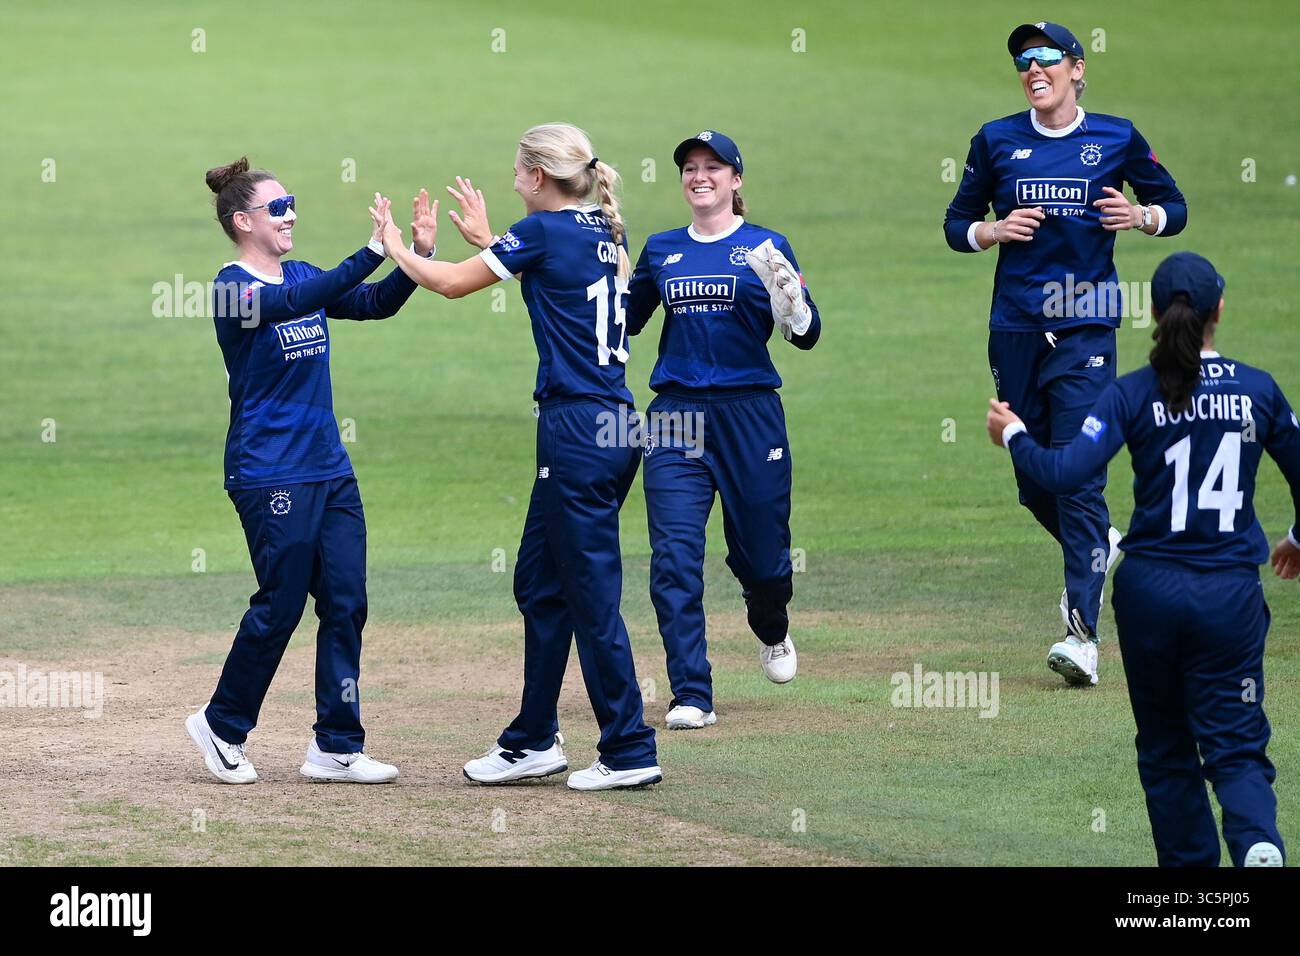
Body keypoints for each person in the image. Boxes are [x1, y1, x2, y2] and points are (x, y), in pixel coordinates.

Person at [987, 252, 1298, 867]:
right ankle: (1258, 843)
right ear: (1219, 313)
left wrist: (1015, 434)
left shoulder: (1130, 393)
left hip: (1150, 592)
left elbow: (1066, 472)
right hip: (1229, 594)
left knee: (1166, 751)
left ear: (1153, 313)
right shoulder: (1258, 389)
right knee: (1235, 745)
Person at [380, 124, 661, 791]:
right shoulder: (602, 230)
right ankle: (534, 739)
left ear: (538, 176)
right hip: (614, 429)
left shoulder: (538, 234)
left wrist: (396, 249)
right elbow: (554, 277)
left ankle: (629, 747)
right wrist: (492, 241)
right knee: (540, 584)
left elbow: (448, 285)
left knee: (591, 598)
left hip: (577, 432)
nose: (511, 180)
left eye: (516, 171)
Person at [944, 21, 1188, 687]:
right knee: (1034, 482)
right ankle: (1101, 546)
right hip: (1014, 328)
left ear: (1077, 69)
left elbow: (1174, 205)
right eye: (1024, 60)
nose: (1034, 68)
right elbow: (953, 224)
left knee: (1078, 477)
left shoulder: (1115, 136)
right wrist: (991, 230)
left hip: (1085, 330)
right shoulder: (996, 140)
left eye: (1048, 57)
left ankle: (1082, 636)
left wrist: (1141, 219)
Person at [186, 157, 436, 785]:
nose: (291, 212)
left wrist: (412, 260)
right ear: (243, 221)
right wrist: (374, 247)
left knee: (347, 601)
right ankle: (221, 726)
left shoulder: (299, 271)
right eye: (279, 206)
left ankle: (336, 744)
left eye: (293, 202)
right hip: (268, 471)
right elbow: (299, 299)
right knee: (281, 603)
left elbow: (372, 303)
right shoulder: (233, 289)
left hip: (328, 468)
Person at [625, 130, 821, 730]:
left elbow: (806, 334)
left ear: (737, 182)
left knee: (762, 562)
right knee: (675, 557)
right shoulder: (661, 250)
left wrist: (793, 304)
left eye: (714, 167)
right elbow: (622, 324)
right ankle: (691, 692)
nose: (700, 175)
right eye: (690, 167)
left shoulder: (766, 246)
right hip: (675, 416)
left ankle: (772, 627)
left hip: (750, 413)